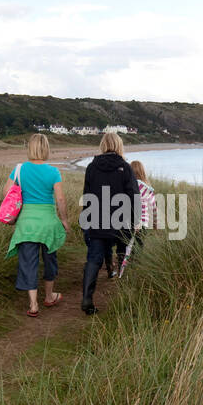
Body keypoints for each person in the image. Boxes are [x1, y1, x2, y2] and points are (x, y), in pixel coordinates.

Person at [3, 133, 68, 317]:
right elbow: (60, 199)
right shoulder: (53, 171)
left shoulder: (19, 169)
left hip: (26, 223)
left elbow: (6, 192)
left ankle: (33, 304)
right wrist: (64, 219)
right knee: (50, 260)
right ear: (46, 148)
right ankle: (49, 296)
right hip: (48, 223)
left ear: (29, 148)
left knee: (28, 262)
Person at [80, 131, 138, 314]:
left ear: (103, 145)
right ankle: (123, 298)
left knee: (94, 259)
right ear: (119, 145)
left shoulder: (91, 167)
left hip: (97, 220)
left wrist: (86, 222)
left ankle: (87, 299)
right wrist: (135, 220)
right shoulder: (125, 168)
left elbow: (87, 197)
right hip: (121, 221)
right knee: (123, 255)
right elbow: (134, 197)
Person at [113, 159, 156, 275]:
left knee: (124, 245)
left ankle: (122, 267)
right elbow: (153, 208)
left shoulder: (125, 186)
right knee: (138, 247)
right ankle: (133, 270)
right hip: (142, 223)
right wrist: (155, 222)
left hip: (127, 221)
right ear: (143, 172)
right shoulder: (148, 189)